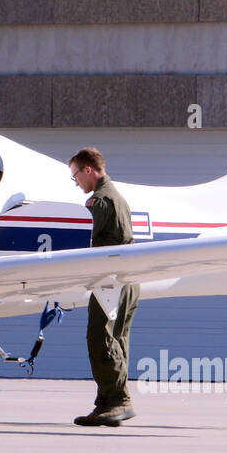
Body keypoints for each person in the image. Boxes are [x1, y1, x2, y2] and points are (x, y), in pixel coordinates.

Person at [68, 147, 139, 427]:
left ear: (88, 170)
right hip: (126, 280)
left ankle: (119, 401)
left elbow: (97, 246)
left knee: (101, 339)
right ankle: (107, 403)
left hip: (112, 281)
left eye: (75, 176)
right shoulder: (114, 197)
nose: (76, 183)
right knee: (116, 340)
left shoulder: (101, 201)